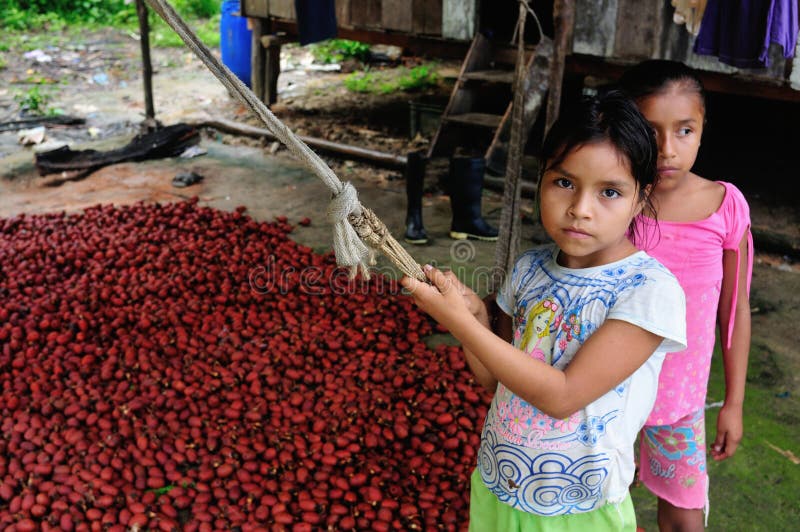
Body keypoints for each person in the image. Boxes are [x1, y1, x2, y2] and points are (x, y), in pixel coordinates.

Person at [400, 91, 687, 531]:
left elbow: (562, 396)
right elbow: (496, 379)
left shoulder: (649, 291)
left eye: (609, 191)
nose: (580, 209)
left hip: (580, 509)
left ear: (641, 197)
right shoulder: (531, 269)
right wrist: (474, 316)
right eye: (564, 182)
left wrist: (456, 322)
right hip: (498, 484)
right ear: (542, 178)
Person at [619, 60, 753, 531]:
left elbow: (734, 311)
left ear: (702, 129)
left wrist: (732, 402)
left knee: (684, 516)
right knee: (599, 504)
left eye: (684, 130)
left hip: (681, 399)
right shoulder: (616, 200)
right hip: (605, 393)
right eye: (650, 131)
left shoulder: (725, 205)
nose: (667, 149)